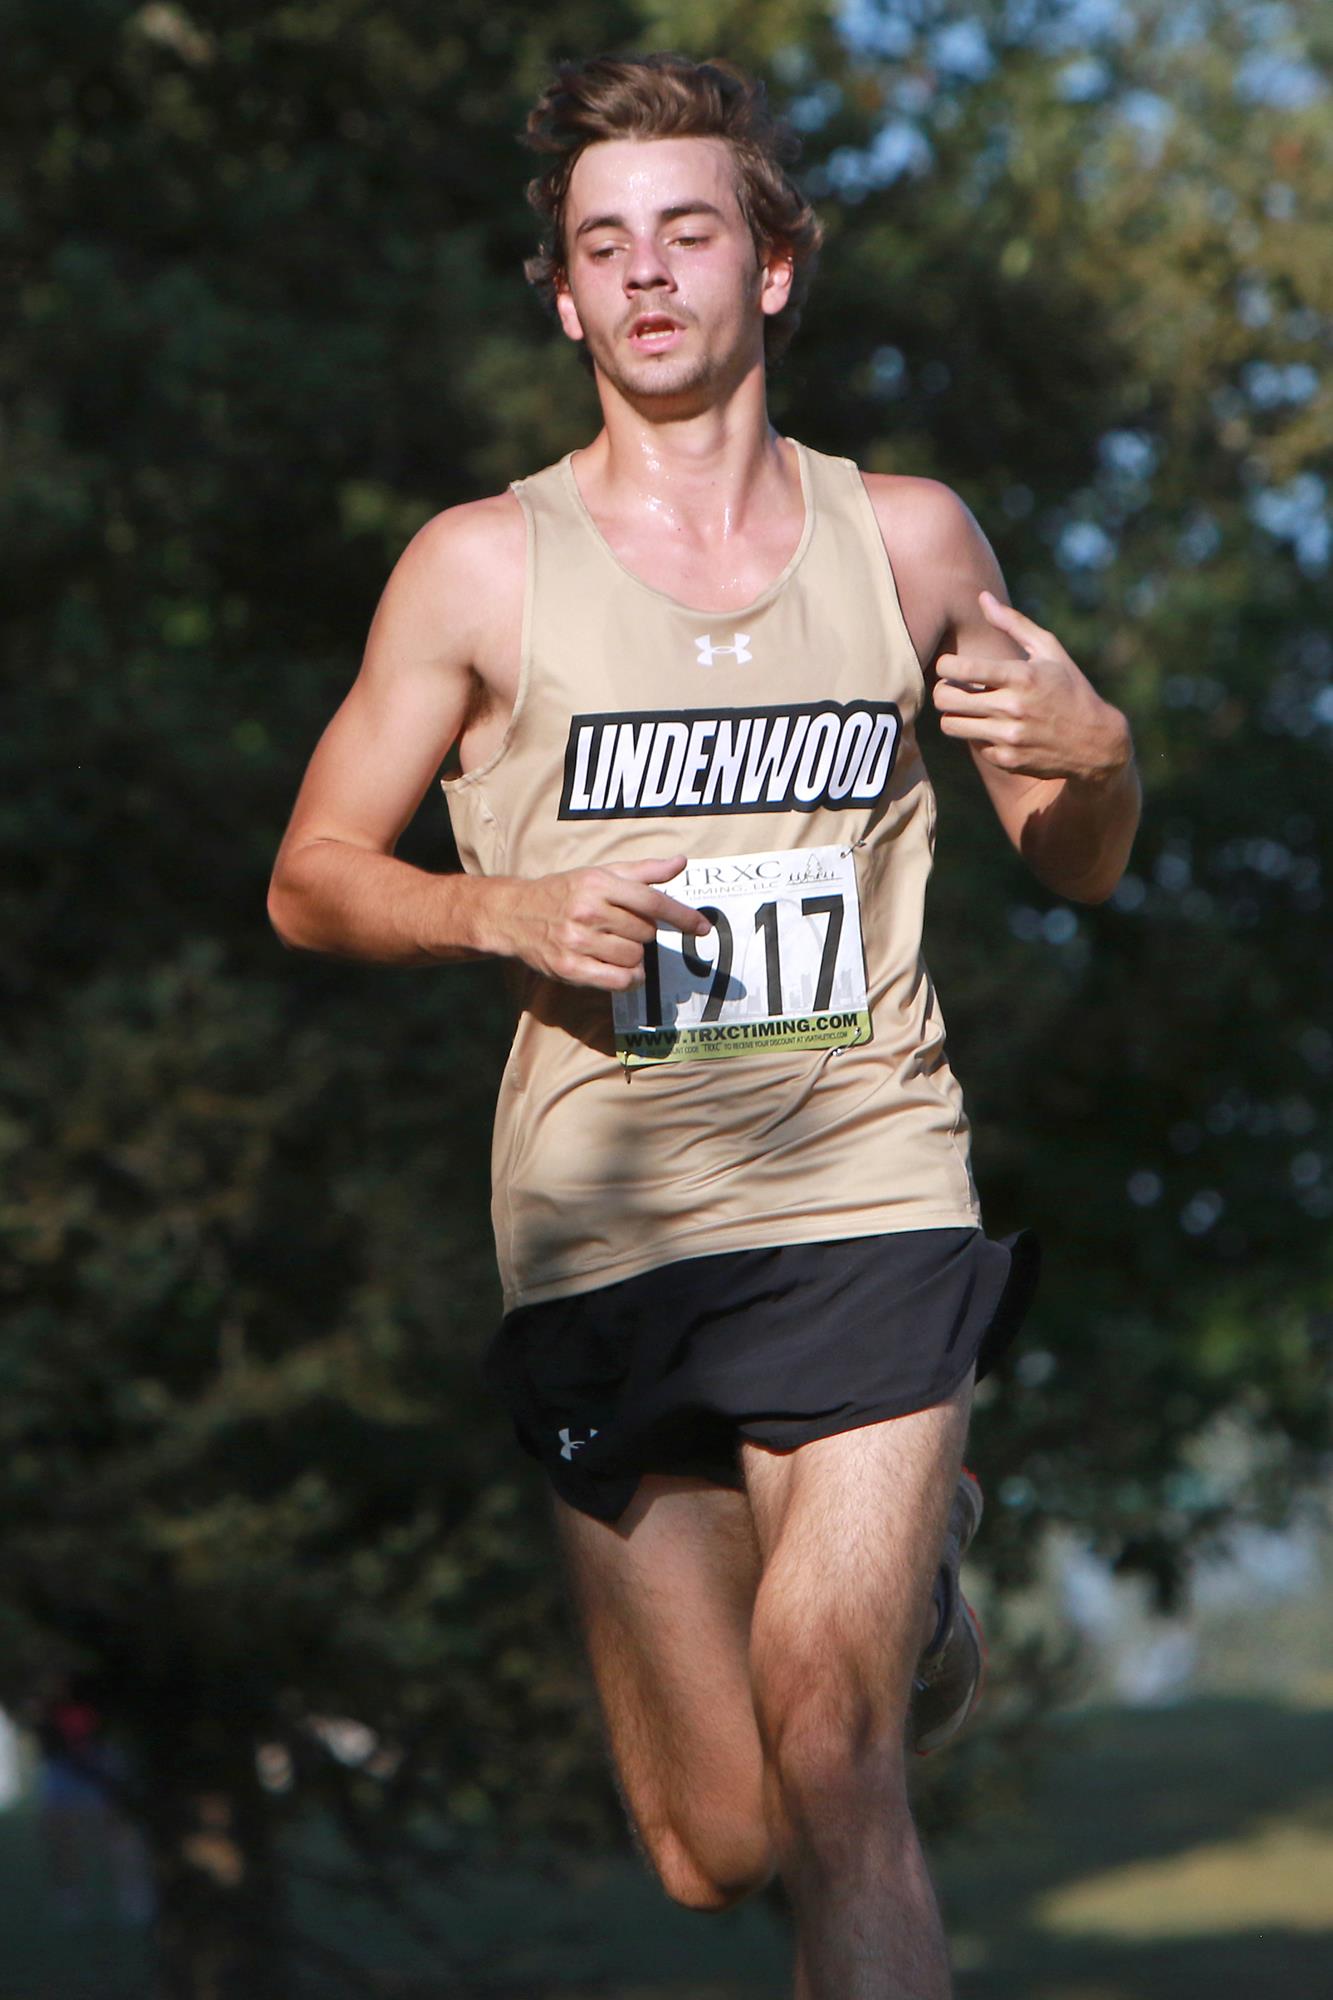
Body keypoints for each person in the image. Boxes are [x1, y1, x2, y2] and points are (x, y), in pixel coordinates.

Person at [266, 51, 1140, 1999]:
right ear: (562, 300)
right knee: (717, 1838)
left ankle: (884, 1585)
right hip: (602, 1220)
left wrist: (1098, 753)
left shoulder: (908, 543)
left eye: (688, 231)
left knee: (835, 1754)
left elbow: (1072, 854)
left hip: (866, 1175)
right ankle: (928, 1592)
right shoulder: (480, 568)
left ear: (772, 270)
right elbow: (312, 870)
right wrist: (501, 903)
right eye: (604, 245)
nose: (648, 274)